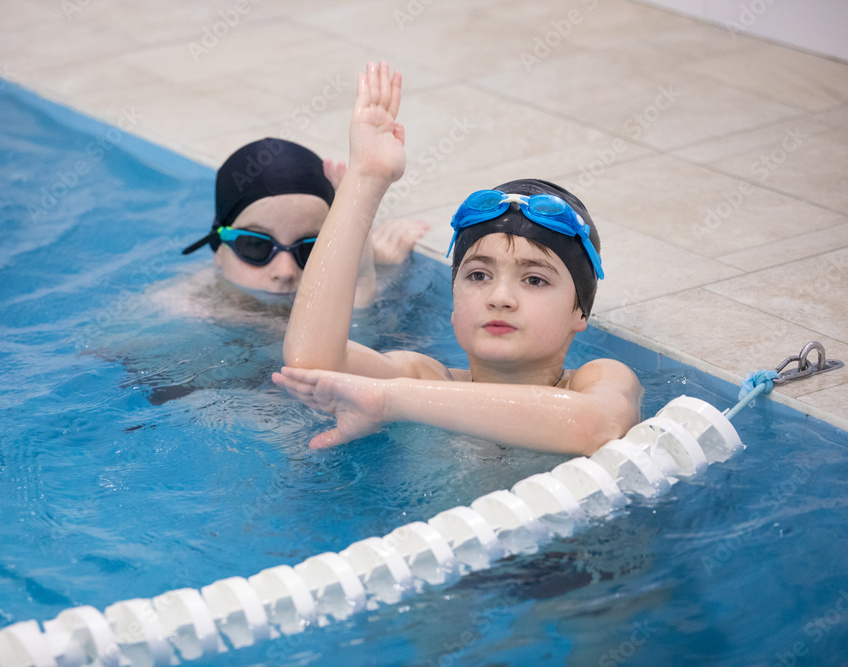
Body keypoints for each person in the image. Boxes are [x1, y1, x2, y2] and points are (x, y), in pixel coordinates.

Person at [273, 61, 641, 455]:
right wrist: (367, 176)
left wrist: (391, 401)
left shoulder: (600, 377)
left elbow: (592, 426)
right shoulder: (423, 377)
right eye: (479, 275)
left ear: (579, 313)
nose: (500, 297)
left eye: (535, 279)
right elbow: (310, 364)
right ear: (452, 304)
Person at [145, 137, 428, 324]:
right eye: (256, 246)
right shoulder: (176, 312)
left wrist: (373, 268)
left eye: (311, 248)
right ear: (218, 246)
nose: (285, 272)